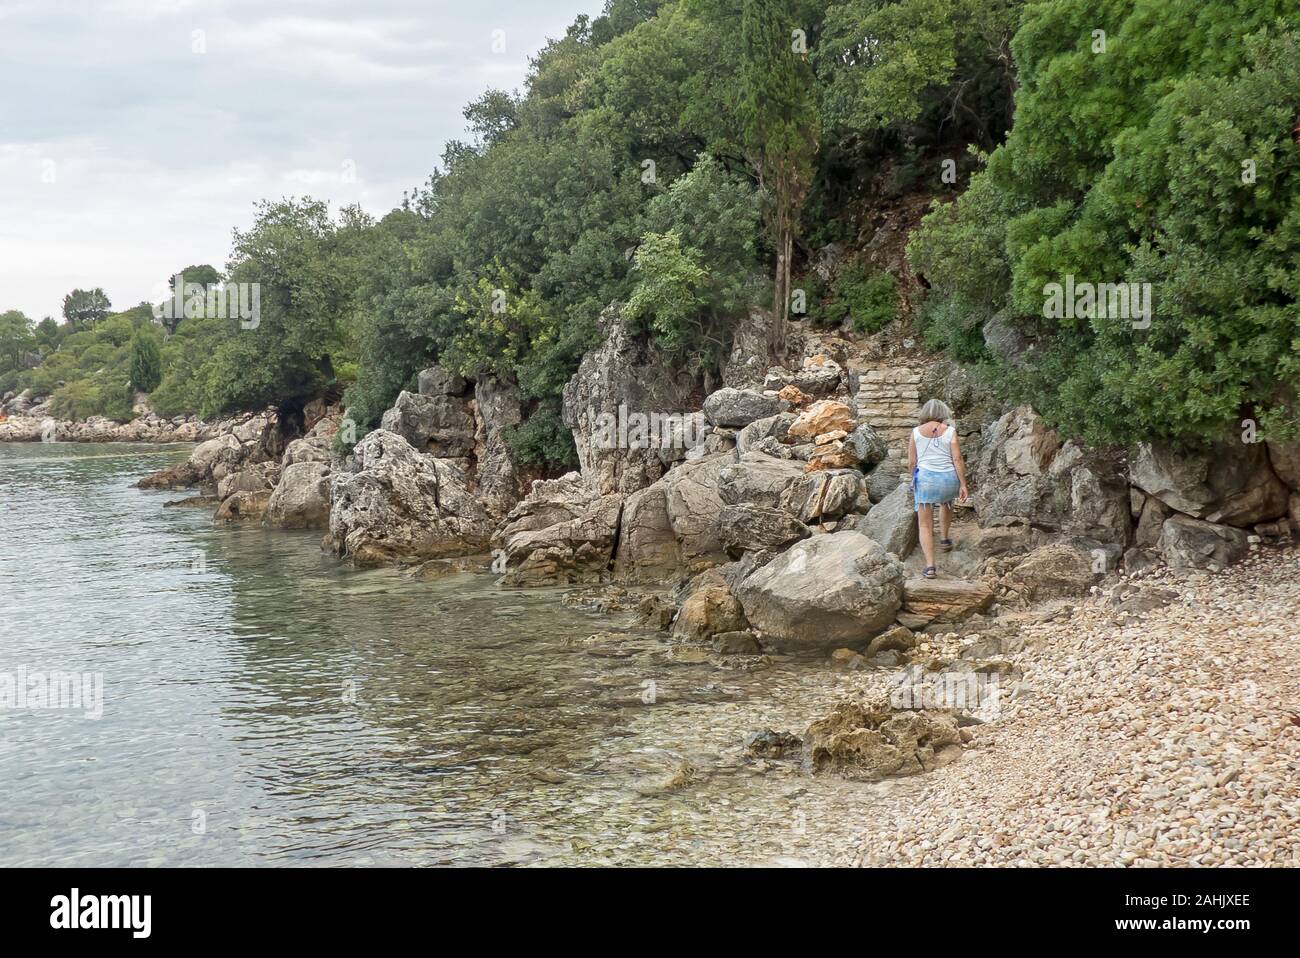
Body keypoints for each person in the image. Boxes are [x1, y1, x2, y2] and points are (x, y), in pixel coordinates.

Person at [907, 399, 970, 578]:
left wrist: (913, 477)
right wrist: (963, 484)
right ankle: (944, 538)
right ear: (943, 412)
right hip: (949, 479)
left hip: (926, 480)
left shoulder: (915, 432)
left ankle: (930, 566)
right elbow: (957, 459)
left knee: (925, 525)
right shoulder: (950, 431)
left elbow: (912, 462)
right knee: (946, 503)